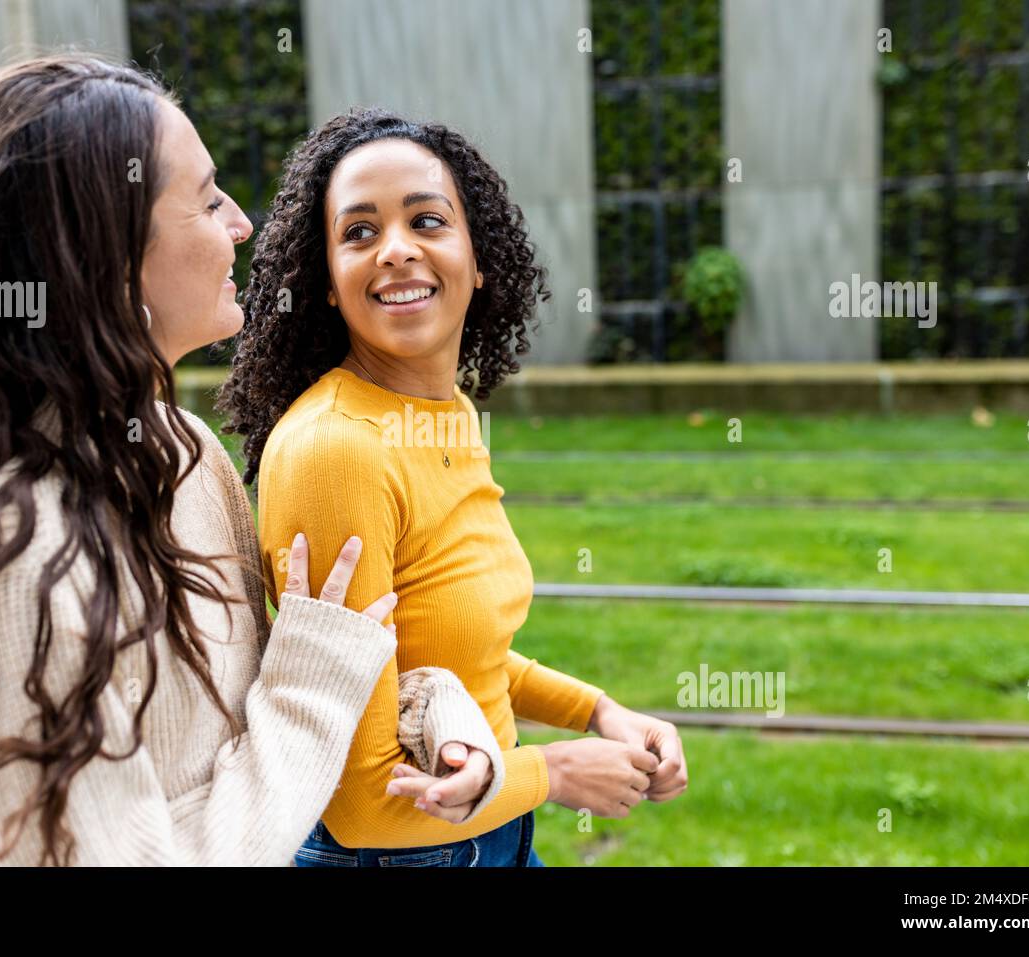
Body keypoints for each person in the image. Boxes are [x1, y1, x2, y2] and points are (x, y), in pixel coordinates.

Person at [0, 56, 501, 867]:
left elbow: (264, 700)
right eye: (208, 199)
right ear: (105, 251)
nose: (242, 225)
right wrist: (313, 687)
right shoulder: (3, 549)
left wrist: (433, 710)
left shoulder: (182, 451)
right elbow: (289, 706)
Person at [221, 108, 688, 867]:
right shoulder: (337, 449)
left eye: (427, 220)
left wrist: (597, 710)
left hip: (481, 825)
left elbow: (453, 648)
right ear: (329, 282)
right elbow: (361, 806)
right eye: (359, 232)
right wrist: (554, 772)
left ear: (479, 260)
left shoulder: (446, 414)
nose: (396, 249)